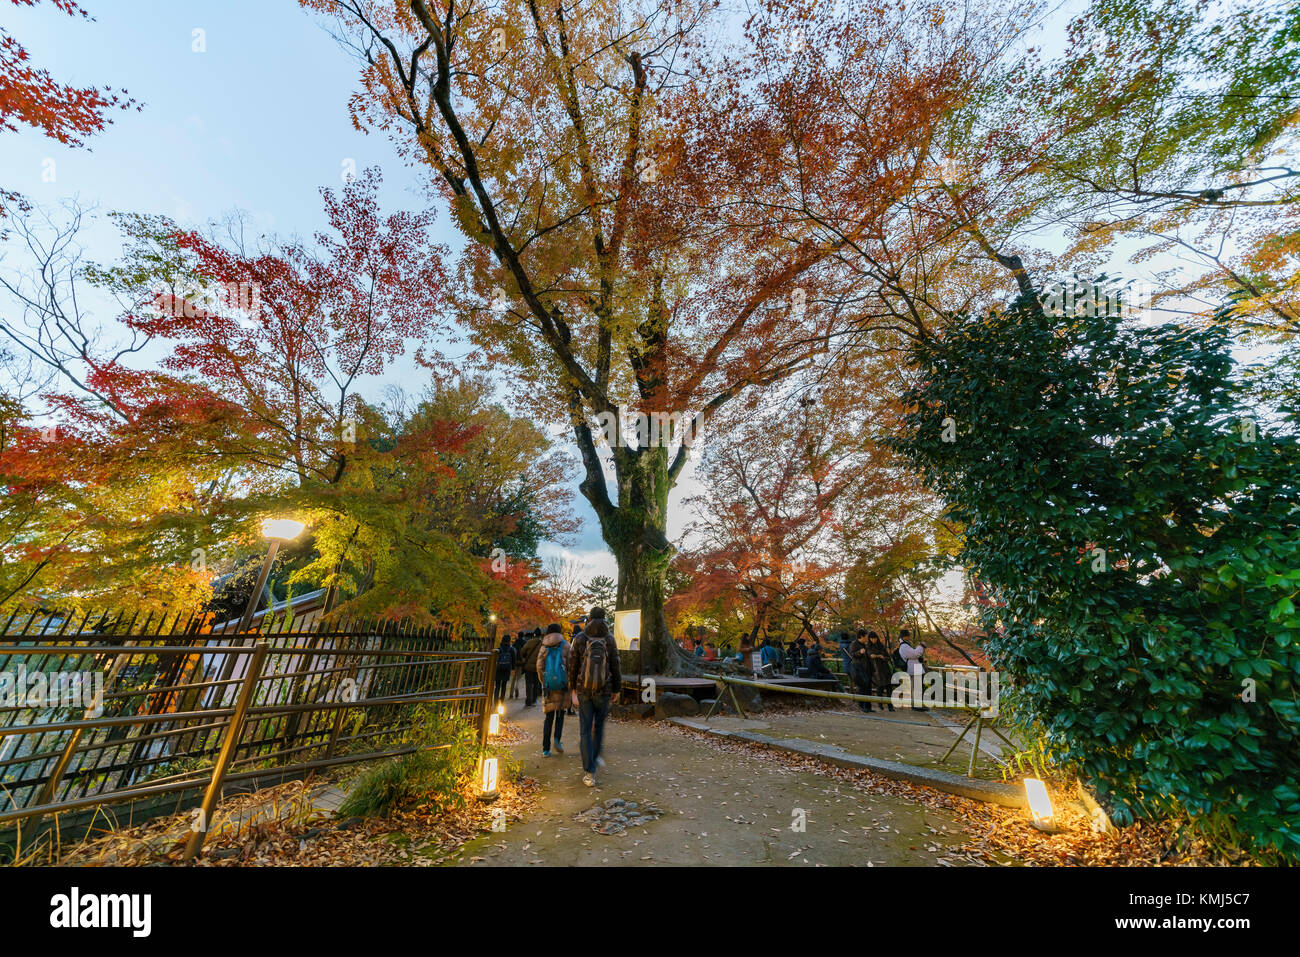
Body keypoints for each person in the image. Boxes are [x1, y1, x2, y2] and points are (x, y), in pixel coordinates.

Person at [569, 606, 622, 787]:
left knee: (585, 730)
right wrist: (616, 689)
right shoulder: (609, 639)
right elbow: (615, 664)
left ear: (589, 619)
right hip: (604, 689)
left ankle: (589, 772)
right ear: (605, 619)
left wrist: (573, 690)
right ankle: (595, 757)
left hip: (583, 690)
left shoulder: (580, 638)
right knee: (598, 727)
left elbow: (573, 665)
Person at [536, 623, 571, 757]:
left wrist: (544, 682)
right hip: (562, 687)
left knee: (548, 718)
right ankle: (557, 739)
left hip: (549, 687)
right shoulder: (566, 645)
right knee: (560, 715)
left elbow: (539, 667)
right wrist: (568, 681)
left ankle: (546, 749)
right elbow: (571, 665)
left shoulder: (544, 647)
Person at [898, 629, 927, 710]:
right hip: (913, 668)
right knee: (916, 687)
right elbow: (915, 654)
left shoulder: (905, 645)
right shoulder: (904, 646)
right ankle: (916, 705)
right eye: (908, 635)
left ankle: (917, 705)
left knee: (917, 687)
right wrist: (921, 646)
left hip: (914, 667)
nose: (909, 637)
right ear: (904, 636)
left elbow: (914, 655)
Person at [866, 631, 895, 711]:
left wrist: (883, 658)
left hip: (885, 669)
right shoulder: (868, 647)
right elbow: (870, 656)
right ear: (869, 639)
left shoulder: (881, 646)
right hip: (876, 670)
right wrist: (878, 656)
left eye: (875, 638)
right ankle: (880, 704)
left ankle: (890, 706)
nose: (873, 640)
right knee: (880, 688)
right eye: (872, 638)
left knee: (889, 688)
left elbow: (888, 658)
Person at [849, 629, 874, 712]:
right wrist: (859, 652)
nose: (867, 638)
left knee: (868, 689)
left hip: (867, 669)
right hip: (860, 670)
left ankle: (868, 707)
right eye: (866, 636)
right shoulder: (854, 644)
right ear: (861, 636)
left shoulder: (865, 644)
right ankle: (862, 706)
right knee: (862, 689)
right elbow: (852, 654)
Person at [521, 628, 543, 706]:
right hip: (537, 666)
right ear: (540, 635)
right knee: (536, 683)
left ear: (534, 634)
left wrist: (525, 657)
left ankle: (528, 700)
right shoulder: (542, 644)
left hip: (528, 666)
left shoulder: (529, 642)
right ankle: (534, 699)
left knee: (529, 683)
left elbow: (522, 651)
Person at [493, 635, 515, 703]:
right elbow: (514, 660)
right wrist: (513, 669)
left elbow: (495, 659)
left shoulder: (498, 649)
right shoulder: (511, 649)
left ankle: (496, 702)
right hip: (507, 669)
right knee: (504, 685)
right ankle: (501, 701)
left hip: (499, 669)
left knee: (497, 686)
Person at [509, 631, 527, 699]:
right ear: (523, 636)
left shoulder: (515, 643)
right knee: (518, 678)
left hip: (515, 663)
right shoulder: (525, 643)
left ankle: (511, 694)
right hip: (521, 663)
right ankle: (517, 687)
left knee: (513, 679)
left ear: (518, 635)